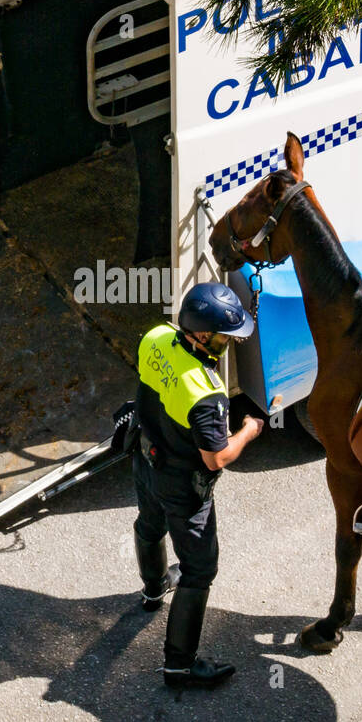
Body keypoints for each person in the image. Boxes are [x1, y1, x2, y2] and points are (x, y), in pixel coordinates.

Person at [132, 281, 265, 689]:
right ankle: (180, 666)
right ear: (203, 335)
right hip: (182, 483)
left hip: (145, 456)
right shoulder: (207, 393)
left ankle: (153, 590)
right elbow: (217, 457)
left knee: (149, 524)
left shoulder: (155, 337)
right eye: (226, 336)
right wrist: (248, 431)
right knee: (199, 568)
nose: (231, 342)